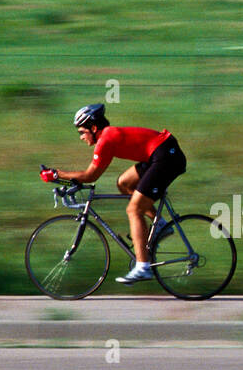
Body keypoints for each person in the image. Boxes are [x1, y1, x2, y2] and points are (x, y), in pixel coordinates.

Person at [43, 103, 187, 284]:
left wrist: (57, 174)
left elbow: (90, 175)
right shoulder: (107, 136)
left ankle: (143, 267)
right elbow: (90, 176)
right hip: (159, 153)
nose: (81, 137)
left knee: (133, 210)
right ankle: (160, 225)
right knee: (124, 183)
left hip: (166, 157)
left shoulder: (106, 140)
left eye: (82, 132)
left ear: (93, 128)